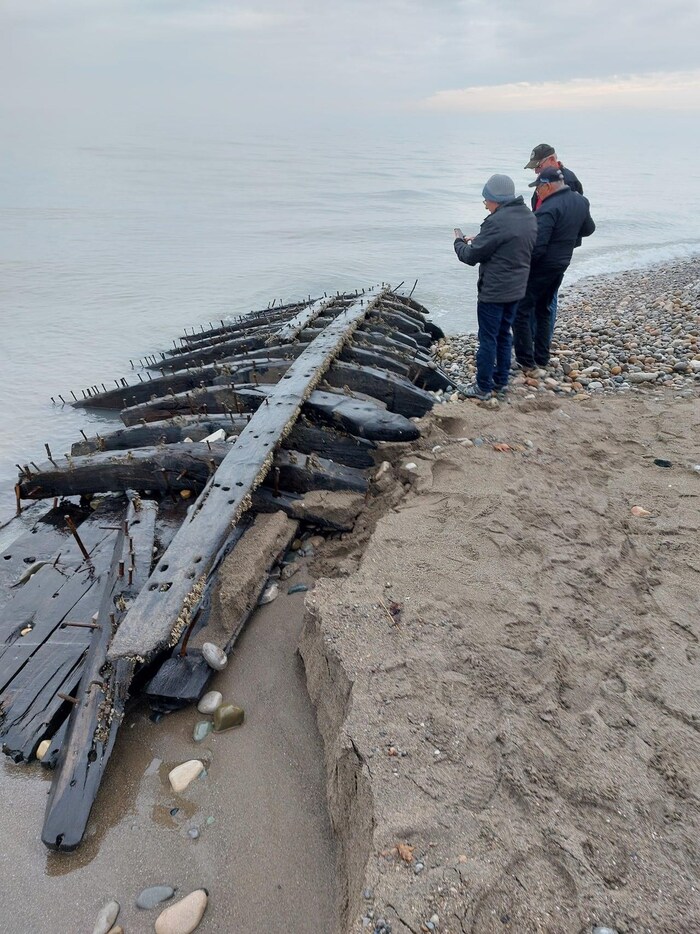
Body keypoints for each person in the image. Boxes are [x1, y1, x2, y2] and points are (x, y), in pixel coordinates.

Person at [453, 174, 537, 400]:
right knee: (503, 334)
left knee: (488, 338)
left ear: (496, 199)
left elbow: (471, 257)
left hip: (494, 292)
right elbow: (508, 241)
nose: (486, 206)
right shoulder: (528, 216)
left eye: (486, 201)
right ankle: (500, 382)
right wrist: (481, 237)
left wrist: (459, 243)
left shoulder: (496, 222)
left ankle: (482, 387)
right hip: (517, 289)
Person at [512, 167, 595, 374]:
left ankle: (525, 360)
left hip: (542, 267)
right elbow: (588, 229)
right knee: (544, 308)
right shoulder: (580, 201)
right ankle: (541, 357)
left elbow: (538, 248)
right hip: (561, 264)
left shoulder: (548, 208)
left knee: (520, 310)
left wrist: (520, 267)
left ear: (547, 185)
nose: (537, 193)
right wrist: (566, 233)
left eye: (538, 188)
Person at [525, 144, 584, 338]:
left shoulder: (568, 181)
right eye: (533, 167)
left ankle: (540, 342)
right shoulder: (542, 180)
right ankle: (534, 341)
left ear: (552, 159)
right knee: (539, 295)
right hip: (541, 245)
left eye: (538, 165)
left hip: (555, 249)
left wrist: (562, 244)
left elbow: (577, 217)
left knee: (547, 297)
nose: (535, 170)